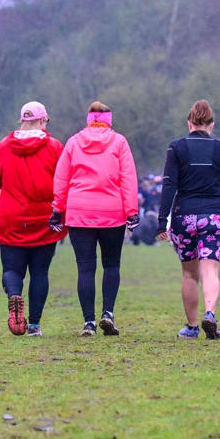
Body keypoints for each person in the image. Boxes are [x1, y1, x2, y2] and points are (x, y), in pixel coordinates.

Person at [157, 99, 220, 340]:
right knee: (211, 270)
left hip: (184, 217)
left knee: (190, 274)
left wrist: (162, 220)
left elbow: (169, 184)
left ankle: (191, 327)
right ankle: (210, 314)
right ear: (212, 124)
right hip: (214, 215)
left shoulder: (176, 147)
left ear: (189, 122)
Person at [50, 101, 139, 337]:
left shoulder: (73, 142)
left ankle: (88, 322)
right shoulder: (119, 142)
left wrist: (58, 209)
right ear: (109, 120)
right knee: (111, 265)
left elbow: (61, 179)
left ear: (89, 119)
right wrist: (132, 212)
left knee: (85, 269)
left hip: (79, 213)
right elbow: (128, 179)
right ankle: (107, 313)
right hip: (112, 213)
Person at [0, 101, 68, 336]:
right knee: (40, 273)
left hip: (11, 217)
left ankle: (14, 295)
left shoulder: (3, 146)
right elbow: (64, 180)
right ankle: (33, 325)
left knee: (12, 270)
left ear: (22, 119)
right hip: (44, 218)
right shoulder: (54, 147)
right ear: (43, 120)